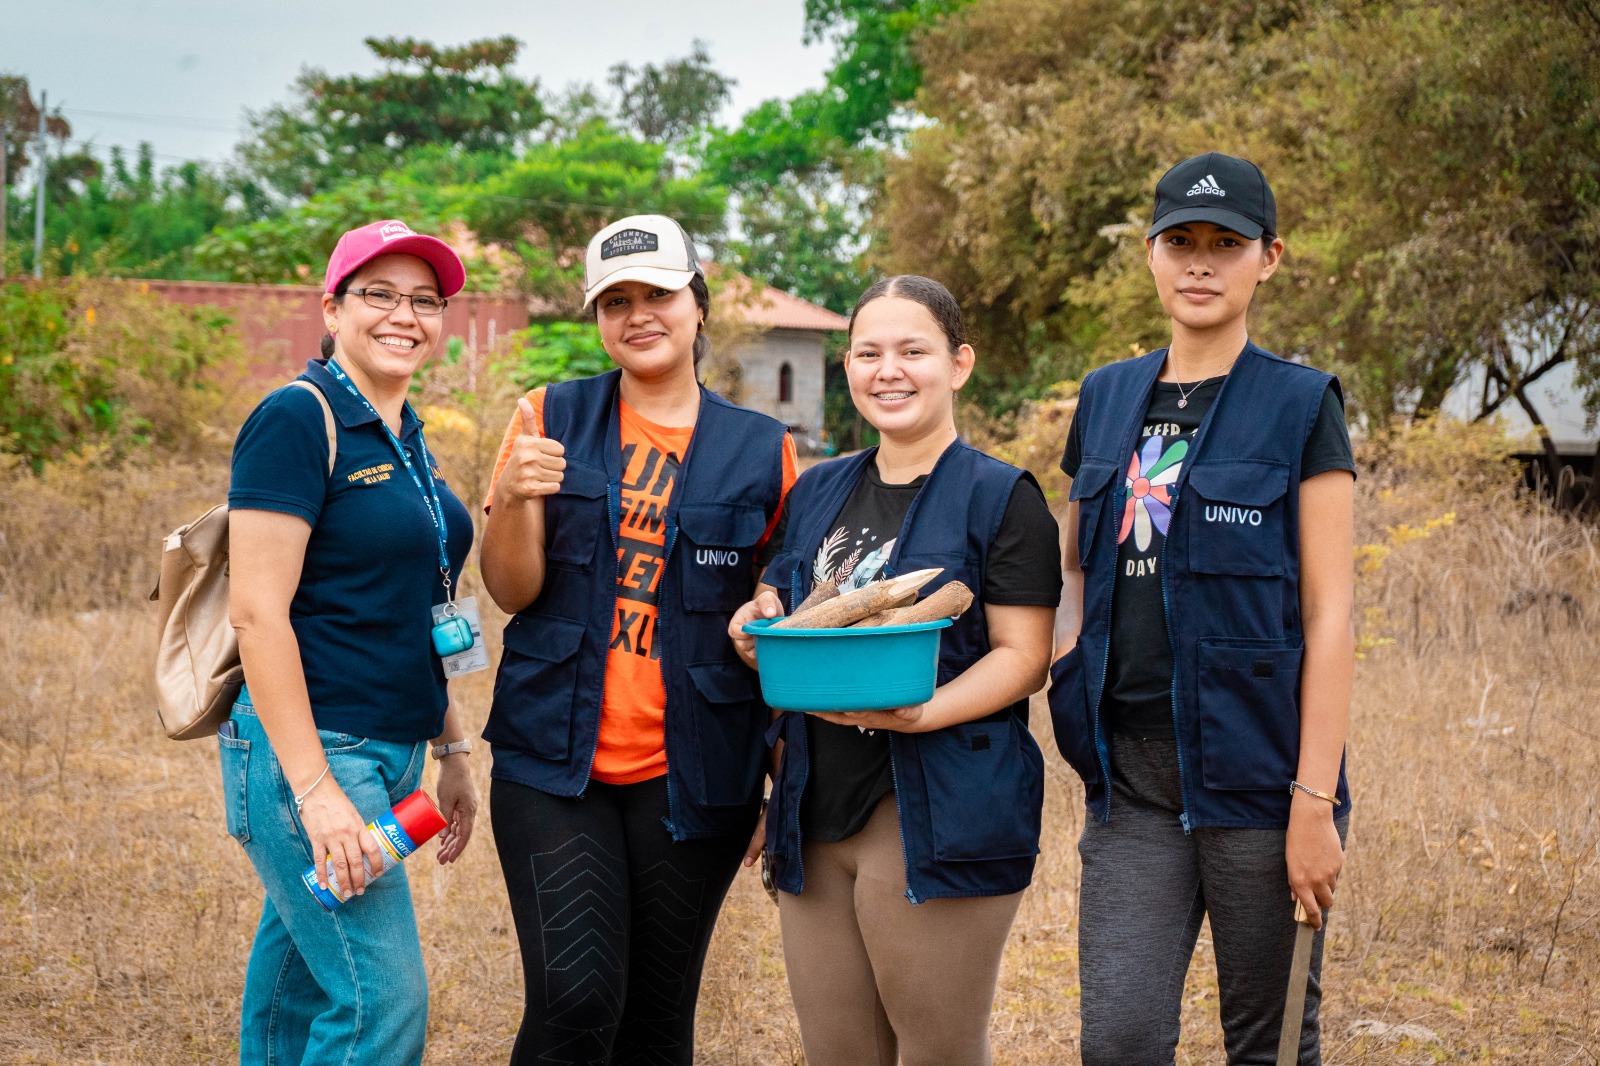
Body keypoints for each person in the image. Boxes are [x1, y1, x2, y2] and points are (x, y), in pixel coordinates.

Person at [1050, 152, 1356, 1065]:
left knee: (1266, 1043)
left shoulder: (1301, 404)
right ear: (1150, 252)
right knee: (1119, 1039)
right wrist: (1068, 663)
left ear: (1269, 258)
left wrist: (1312, 802)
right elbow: (1073, 564)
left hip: (1258, 775)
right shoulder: (1106, 394)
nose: (1200, 263)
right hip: (1133, 783)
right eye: (1180, 240)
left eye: (1226, 244)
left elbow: (1330, 616)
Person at [479, 214, 797, 1066]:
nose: (637, 315)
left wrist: (780, 776)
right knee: (576, 1000)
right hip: (554, 761)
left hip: (698, 772)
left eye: (657, 293)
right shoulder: (547, 415)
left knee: (657, 1021)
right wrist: (513, 498)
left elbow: (778, 625)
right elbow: (511, 590)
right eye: (615, 301)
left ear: (698, 304)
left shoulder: (763, 450)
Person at [729, 275, 1062, 1066]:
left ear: (959, 364)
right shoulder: (817, 489)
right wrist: (754, 623)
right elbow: (781, 598)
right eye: (868, 353)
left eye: (913, 351)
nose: (889, 371)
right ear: (847, 366)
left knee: (938, 1050)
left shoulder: (1001, 497)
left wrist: (922, 711)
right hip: (814, 804)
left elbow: (1025, 657)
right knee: (838, 1051)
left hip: (937, 805)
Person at [223, 219, 479, 1066]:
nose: (405, 315)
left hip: (393, 753)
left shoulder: (405, 435)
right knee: (382, 1005)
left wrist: (451, 748)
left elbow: (420, 604)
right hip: (317, 751)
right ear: (332, 309)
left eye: (425, 300)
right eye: (379, 294)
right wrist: (317, 792)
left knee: (296, 997)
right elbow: (257, 614)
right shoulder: (298, 418)